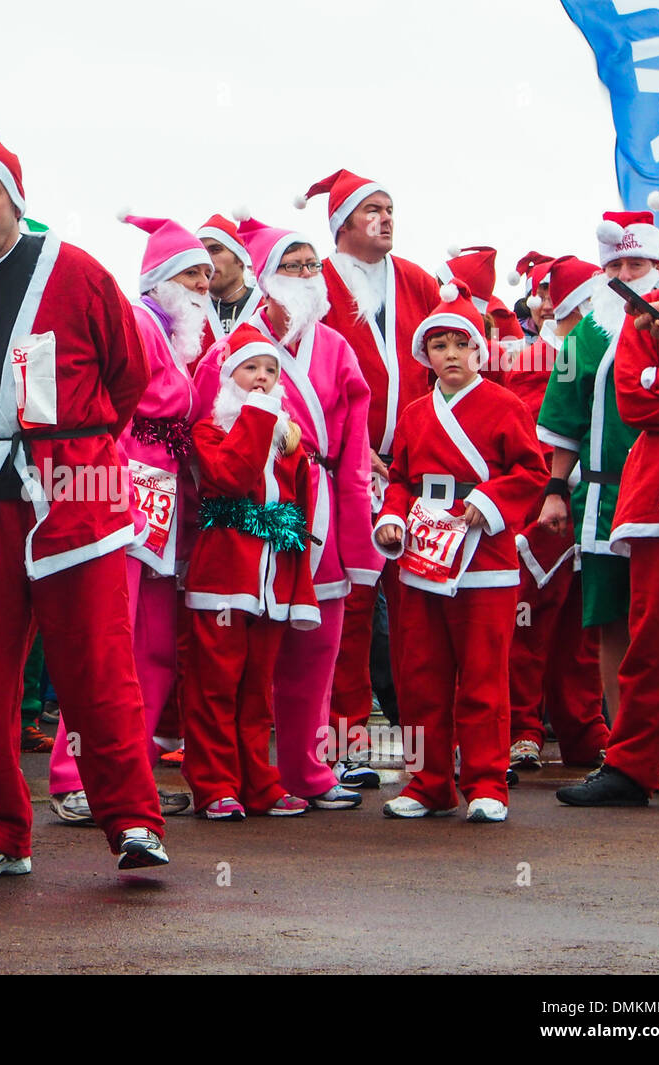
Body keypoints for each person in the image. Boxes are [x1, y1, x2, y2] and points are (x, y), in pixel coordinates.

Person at [0, 131, 168, 877]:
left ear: (17, 202)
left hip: (76, 493)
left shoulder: (77, 272)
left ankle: (134, 820)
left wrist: (72, 444)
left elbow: (127, 375)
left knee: (98, 663)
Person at [556, 174, 659, 805]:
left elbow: (655, 390)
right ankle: (632, 767)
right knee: (650, 639)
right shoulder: (648, 311)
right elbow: (634, 396)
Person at [202, 217, 379, 810]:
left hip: (319, 498)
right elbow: (205, 430)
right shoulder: (234, 347)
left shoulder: (336, 347)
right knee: (238, 661)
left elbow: (354, 449)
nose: (306, 275)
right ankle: (232, 779)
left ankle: (307, 768)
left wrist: (356, 531)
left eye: (312, 265)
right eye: (292, 265)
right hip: (247, 516)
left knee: (319, 642)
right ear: (264, 276)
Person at [47, 212, 210, 823]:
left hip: (165, 499)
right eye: (190, 275)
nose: (203, 286)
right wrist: (113, 489)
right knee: (110, 637)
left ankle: (129, 774)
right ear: (158, 279)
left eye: (206, 275)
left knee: (155, 643)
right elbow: (108, 406)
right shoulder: (139, 323)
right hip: (128, 491)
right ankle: (74, 775)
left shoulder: (181, 337)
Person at [372, 281, 547, 821]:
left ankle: (487, 783)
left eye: (461, 344)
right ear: (425, 352)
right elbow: (400, 478)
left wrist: (489, 503)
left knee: (483, 677)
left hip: (485, 559)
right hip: (424, 557)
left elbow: (532, 472)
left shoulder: (505, 405)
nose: (451, 354)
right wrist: (392, 518)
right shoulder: (415, 413)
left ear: (479, 349)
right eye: (439, 344)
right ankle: (429, 784)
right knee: (421, 674)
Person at [297, 169, 441, 788]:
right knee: (350, 607)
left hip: (416, 469)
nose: (386, 218)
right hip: (345, 470)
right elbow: (298, 372)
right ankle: (346, 741)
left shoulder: (418, 280)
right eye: (372, 210)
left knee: (421, 607)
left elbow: (449, 362)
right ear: (341, 224)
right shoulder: (317, 281)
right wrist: (350, 447)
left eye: (390, 208)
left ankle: (430, 744)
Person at [536, 218, 659, 766]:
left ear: (658, 267)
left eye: (636, 265)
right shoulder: (581, 337)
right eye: (614, 266)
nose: (625, 276)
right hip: (603, 499)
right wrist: (554, 490)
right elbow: (563, 419)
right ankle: (632, 749)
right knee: (612, 622)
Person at [182, 323, 318, 818]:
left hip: (272, 581)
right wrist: (259, 417)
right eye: (250, 368)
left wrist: (299, 585)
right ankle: (215, 784)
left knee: (258, 691)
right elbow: (232, 478)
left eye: (270, 370)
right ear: (227, 377)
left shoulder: (288, 441)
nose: (261, 377)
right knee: (214, 687)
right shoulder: (209, 431)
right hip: (223, 578)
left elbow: (300, 509)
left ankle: (259, 782)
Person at [498, 254, 608, 773]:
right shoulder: (535, 359)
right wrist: (554, 485)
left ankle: (584, 733)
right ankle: (521, 728)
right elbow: (527, 434)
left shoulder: (606, 347)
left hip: (595, 504)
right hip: (544, 505)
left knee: (584, 629)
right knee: (529, 621)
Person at [196, 213, 259, 354]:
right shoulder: (188, 310)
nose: (207, 260)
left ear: (240, 259)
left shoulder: (266, 307)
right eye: (201, 252)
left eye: (215, 250)